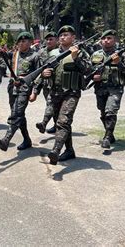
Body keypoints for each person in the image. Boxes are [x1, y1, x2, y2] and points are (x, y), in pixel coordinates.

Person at [39, 25, 91, 165]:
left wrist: (75, 58)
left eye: (66, 35)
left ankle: (56, 150)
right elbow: (45, 69)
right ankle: (69, 150)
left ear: (73, 37)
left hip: (71, 92)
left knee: (63, 121)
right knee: (61, 123)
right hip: (55, 91)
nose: (63, 37)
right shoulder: (53, 53)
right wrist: (45, 74)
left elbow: (88, 70)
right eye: (61, 35)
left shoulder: (80, 52)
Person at [0, 32, 40, 152]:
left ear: (30, 42)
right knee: (19, 115)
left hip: (25, 88)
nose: (21, 43)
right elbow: (4, 55)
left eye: (24, 41)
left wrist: (35, 92)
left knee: (16, 113)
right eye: (19, 41)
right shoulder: (14, 54)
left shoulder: (35, 56)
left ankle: (6, 140)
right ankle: (27, 140)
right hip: (12, 87)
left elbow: (39, 75)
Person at [90, 29, 125, 149]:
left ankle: (107, 137)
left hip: (115, 88)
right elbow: (88, 70)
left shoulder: (121, 54)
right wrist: (94, 77)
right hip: (100, 88)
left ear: (115, 40)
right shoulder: (95, 54)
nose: (106, 41)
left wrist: (119, 63)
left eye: (109, 38)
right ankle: (110, 134)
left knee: (111, 111)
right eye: (104, 38)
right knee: (103, 113)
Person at [34, 32, 59, 134]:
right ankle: (56, 125)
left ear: (56, 40)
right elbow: (38, 70)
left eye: (51, 39)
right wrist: (36, 88)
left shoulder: (60, 51)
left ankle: (45, 123)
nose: (48, 41)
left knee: (51, 104)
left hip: (57, 84)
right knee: (52, 106)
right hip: (46, 84)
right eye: (47, 40)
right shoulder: (41, 52)